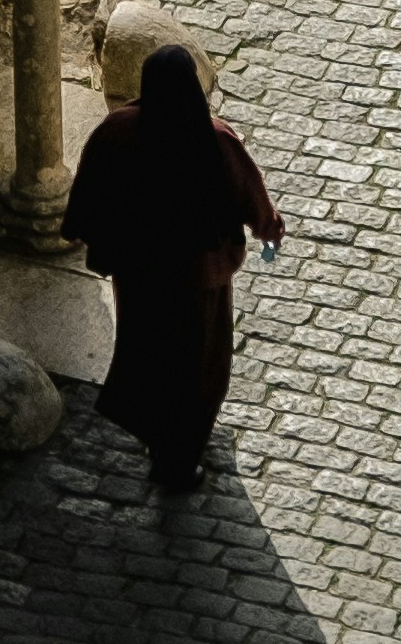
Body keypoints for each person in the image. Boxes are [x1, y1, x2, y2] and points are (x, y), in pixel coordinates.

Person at [62, 39, 281, 496]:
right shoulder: (215, 139)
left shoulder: (118, 130)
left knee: (149, 350)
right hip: (200, 279)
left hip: (140, 273)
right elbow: (251, 196)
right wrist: (269, 228)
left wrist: (88, 235)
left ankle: (156, 434)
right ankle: (178, 460)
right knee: (200, 364)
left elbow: (90, 190)